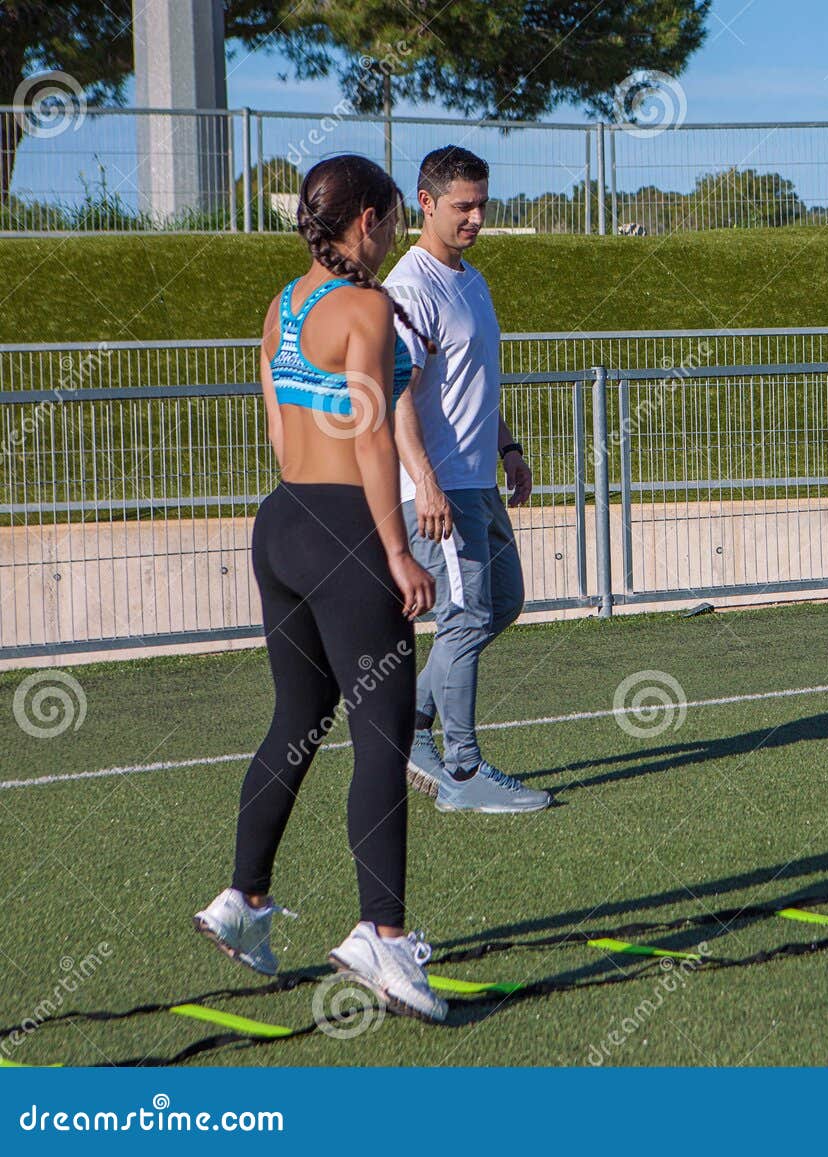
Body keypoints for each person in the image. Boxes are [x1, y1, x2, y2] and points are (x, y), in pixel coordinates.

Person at [194, 154, 447, 1023]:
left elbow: (276, 421)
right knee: (382, 736)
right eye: (391, 220)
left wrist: (315, 515)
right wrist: (396, 551)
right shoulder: (367, 307)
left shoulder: (282, 305)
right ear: (368, 222)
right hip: (345, 529)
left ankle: (245, 900)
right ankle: (382, 932)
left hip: (284, 522)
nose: (395, 236)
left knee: (297, 719)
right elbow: (374, 440)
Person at [385, 145, 549, 813]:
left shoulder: (471, 280)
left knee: (501, 602)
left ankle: (409, 725)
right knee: (463, 616)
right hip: (440, 487)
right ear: (426, 203)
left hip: (481, 478)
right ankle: (461, 773)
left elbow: (473, 381)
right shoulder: (410, 287)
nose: (477, 217)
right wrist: (424, 482)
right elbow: (398, 395)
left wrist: (509, 447)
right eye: (464, 206)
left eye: (483, 203)